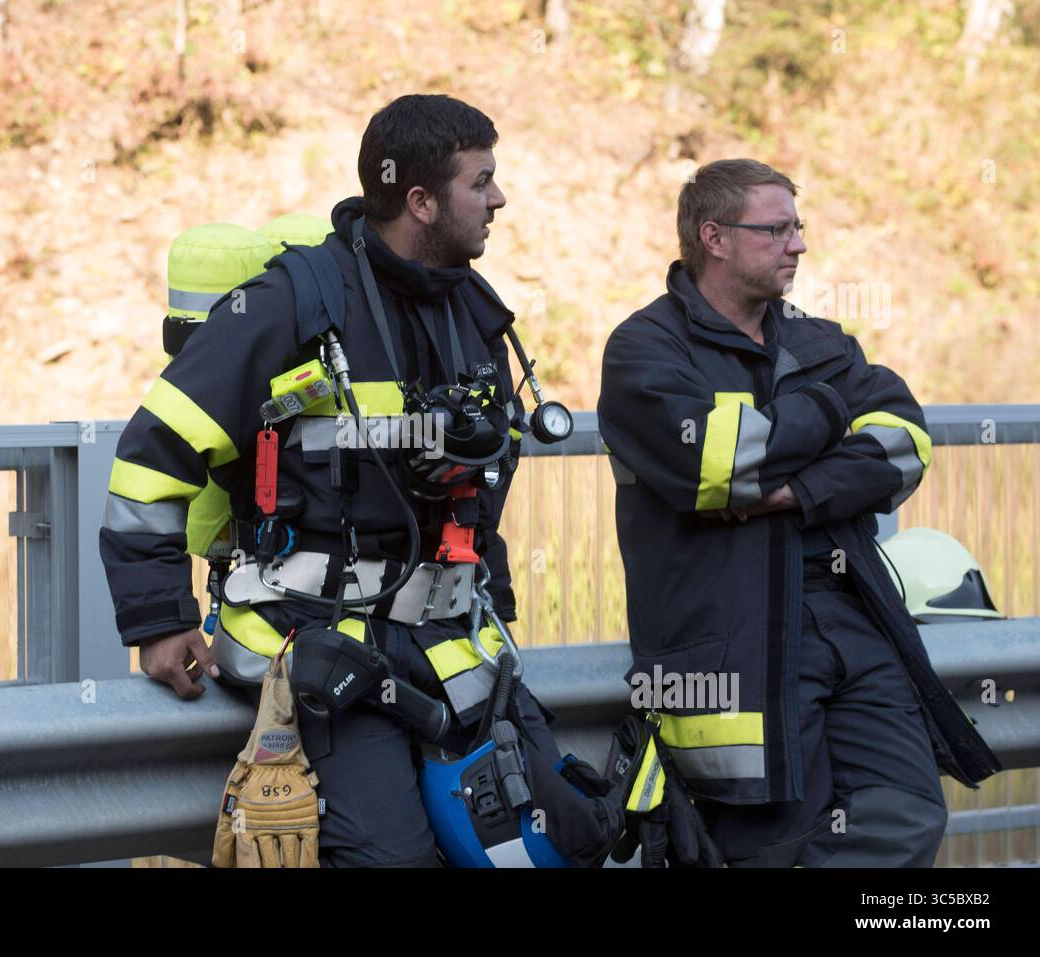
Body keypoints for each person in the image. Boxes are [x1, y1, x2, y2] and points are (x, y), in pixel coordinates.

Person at [100, 94, 563, 867]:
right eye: (481, 182)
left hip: (453, 645)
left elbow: (478, 490)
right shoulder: (291, 302)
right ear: (420, 201)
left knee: (546, 844)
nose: (499, 198)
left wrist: (497, 600)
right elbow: (155, 451)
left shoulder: (474, 311)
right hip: (320, 649)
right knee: (394, 860)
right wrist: (156, 617)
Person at [596, 158, 1001, 867]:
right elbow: (716, 468)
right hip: (734, 636)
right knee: (772, 844)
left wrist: (793, 490)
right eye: (775, 229)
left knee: (906, 812)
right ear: (713, 236)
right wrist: (825, 409)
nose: (798, 245)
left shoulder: (817, 340)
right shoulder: (646, 350)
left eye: (798, 226)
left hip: (852, 614)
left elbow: (904, 442)